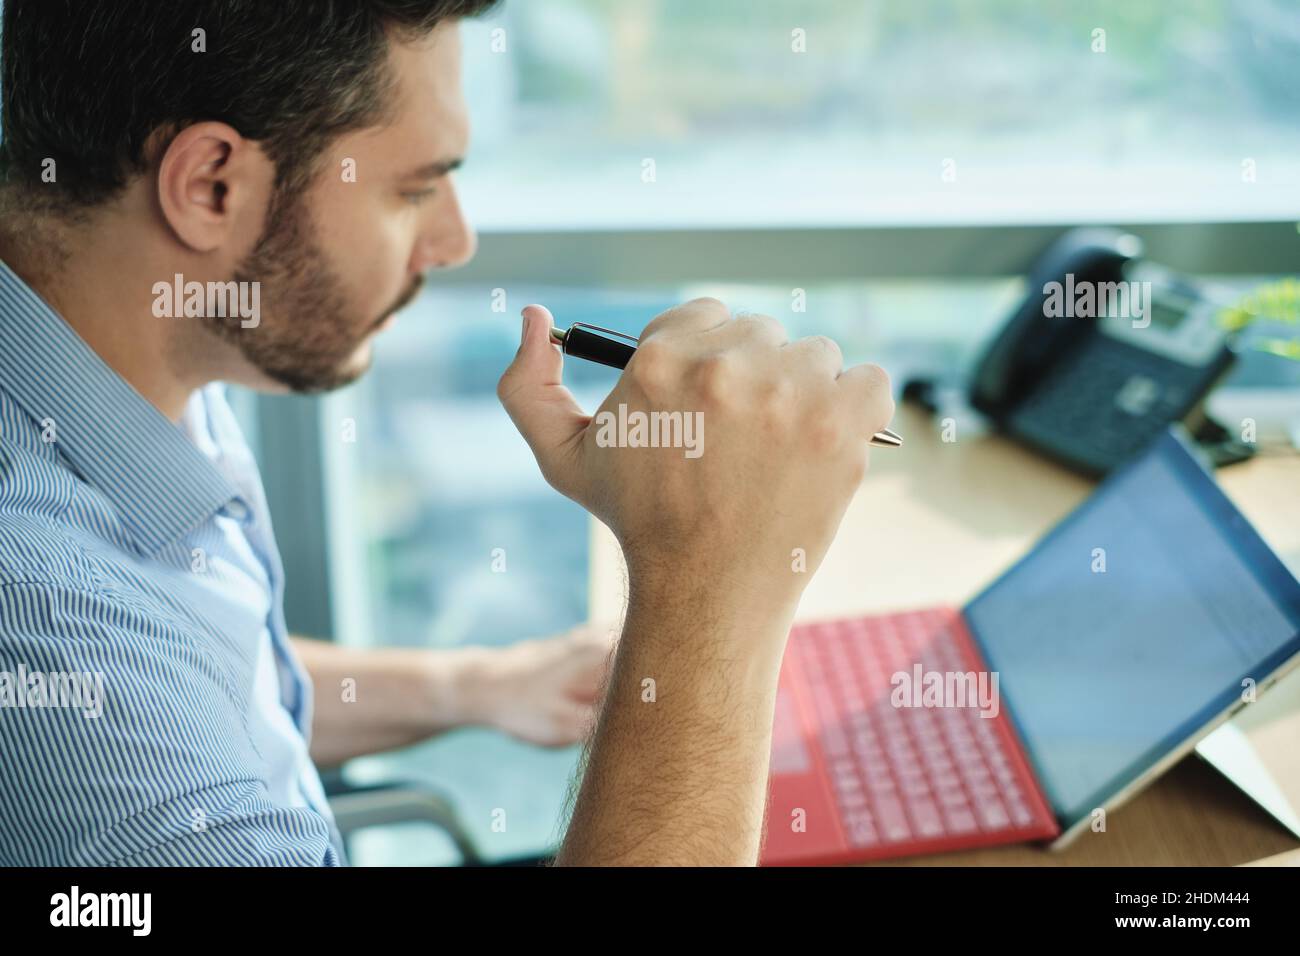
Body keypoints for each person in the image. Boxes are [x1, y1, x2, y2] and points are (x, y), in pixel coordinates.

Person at [0, 0, 892, 866]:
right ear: (209, 186)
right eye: (415, 188)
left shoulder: (116, 357)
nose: (455, 240)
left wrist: (480, 687)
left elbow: (201, 675)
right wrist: (710, 593)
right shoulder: (53, 627)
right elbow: (118, 680)